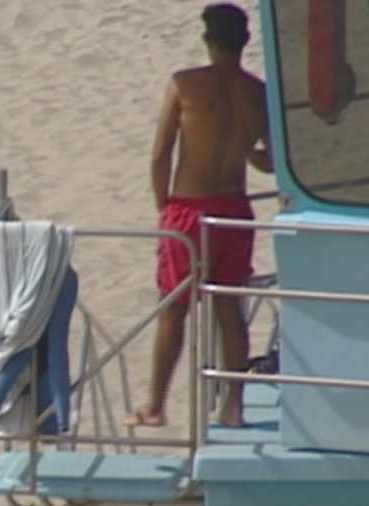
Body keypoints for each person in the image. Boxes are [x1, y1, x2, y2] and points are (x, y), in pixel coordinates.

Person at [125, 3, 273, 429]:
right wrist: (243, 150)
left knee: (174, 308)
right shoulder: (258, 93)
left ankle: (155, 405)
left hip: (188, 208)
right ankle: (234, 407)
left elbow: (159, 155)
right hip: (234, 210)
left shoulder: (185, 84)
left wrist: (163, 208)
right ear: (244, 42)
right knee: (230, 309)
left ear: (208, 40)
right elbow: (273, 161)